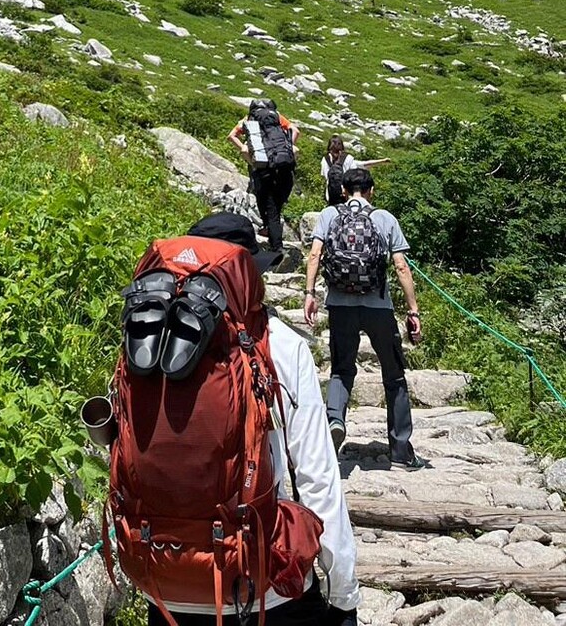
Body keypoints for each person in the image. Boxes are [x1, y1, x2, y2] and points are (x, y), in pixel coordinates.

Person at [140, 214, 359, 625]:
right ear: (249, 273)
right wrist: (343, 590)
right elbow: (318, 479)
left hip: (166, 581)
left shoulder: (147, 342)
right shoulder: (281, 345)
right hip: (260, 588)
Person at [303, 167, 426, 469]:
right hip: (378, 307)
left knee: (341, 370)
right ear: (371, 190)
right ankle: (400, 450)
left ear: (343, 191)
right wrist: (413, 310)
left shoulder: (329, 215)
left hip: (340, 306)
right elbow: (400, 267)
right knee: (394, 375)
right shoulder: (384, 219)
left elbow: (315, 255)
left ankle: (335, 420)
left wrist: (309, 294)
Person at [229, 100, 299, 251]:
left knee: (269, 206)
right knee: (276, 205)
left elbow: (231, 136)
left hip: (263, 168)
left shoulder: (248, 119)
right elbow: (296, 131)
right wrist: (288, 146)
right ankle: (271, 231)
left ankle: (276, 247)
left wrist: (244, 148)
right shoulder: (277, 116)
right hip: (284, 165)